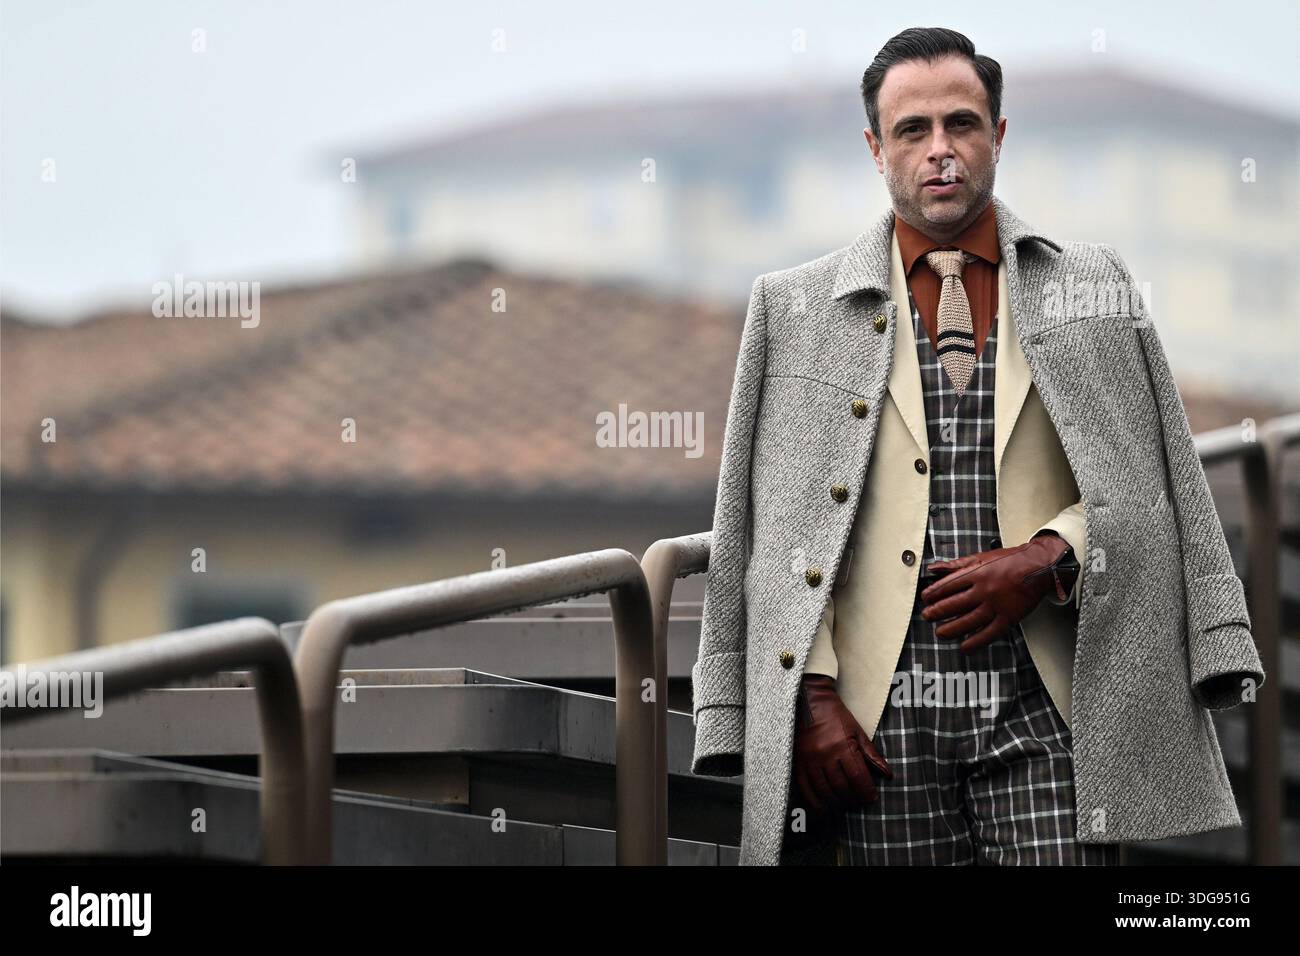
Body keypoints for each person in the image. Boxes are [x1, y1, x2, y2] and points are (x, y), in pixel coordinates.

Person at [690, 26, 1264, 866]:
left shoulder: (1091, 285)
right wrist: (807, 693)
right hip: (872, 719)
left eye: (962, 124)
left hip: (1052, 698)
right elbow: (764, 524)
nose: (940, 151)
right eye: (912, 131)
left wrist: (1048, 557)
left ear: (999, 134)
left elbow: (1152, 484)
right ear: (874, 149)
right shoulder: (793, 308)